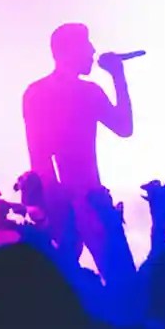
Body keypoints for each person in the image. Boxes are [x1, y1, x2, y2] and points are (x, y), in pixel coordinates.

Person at [22, 23, 134, 280]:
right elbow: (39, 155)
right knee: (116, 276)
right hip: (75, 199)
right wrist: (64, 204)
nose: (93, 51)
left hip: (73, 197)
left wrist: (118, 75)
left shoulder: (77, 92)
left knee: (67, 279)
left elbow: (124, 128)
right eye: (87, 45)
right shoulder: (47, 93)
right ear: (69, 51)